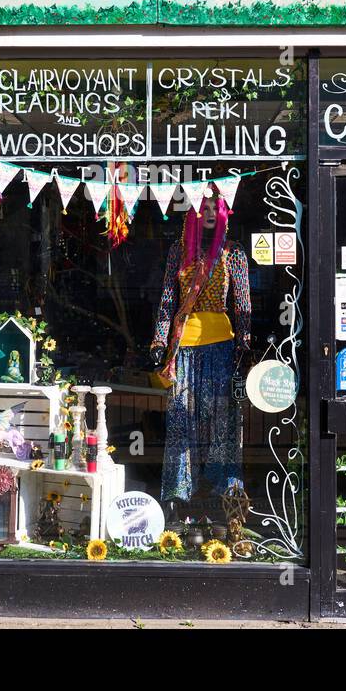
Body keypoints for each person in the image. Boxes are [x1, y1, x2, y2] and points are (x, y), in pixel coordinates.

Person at [150, 194, 251, 514]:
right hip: (185, 347)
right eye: (202, 208)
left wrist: (244, 344)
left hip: (221, 345)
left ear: (223, 213)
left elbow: (243, 303)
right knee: (181, 421)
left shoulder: (232, 252)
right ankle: (178, 494)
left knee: (223, 419)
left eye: (214, 209)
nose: (208, 213)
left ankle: (228, 490)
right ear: (193, 212)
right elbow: (168, 299)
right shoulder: (179, 251)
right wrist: (158, 342)